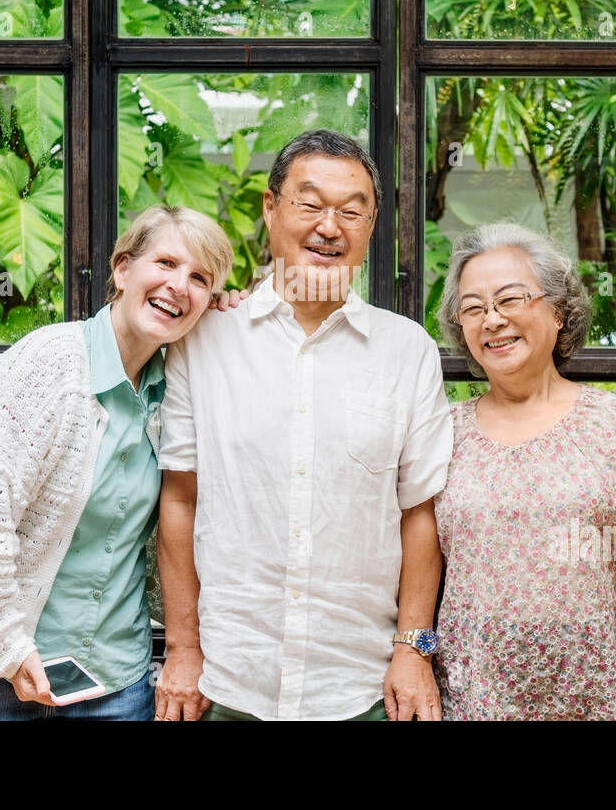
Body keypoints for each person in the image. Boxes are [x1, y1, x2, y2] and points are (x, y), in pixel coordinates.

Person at [153, 128, 453, 722]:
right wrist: (184, 648)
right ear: (271, 209)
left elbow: (420, 512)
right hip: (229, 680)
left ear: (370, 226)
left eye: (351, 210)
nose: (329, 226)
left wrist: (413, 651)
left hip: (361, 684)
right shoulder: (205, 338)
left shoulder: (406, 351)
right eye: (310, 204)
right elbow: (180, 500)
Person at [0, 205, 235, 721]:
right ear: (123, 268)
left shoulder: (174, 386)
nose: (179, 285)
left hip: (112, 679)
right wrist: (5, 649)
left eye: (200, 278)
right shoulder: (48, 362)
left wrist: (232, 317)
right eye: (166, 263)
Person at [433, 223, 616, 720]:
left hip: (598, 704)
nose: (492, 320)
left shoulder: (615, 427)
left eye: (510, 299)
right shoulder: (443, 434)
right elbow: (416, 566)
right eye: (473, 308)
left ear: (557, 309)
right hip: (473, 703)